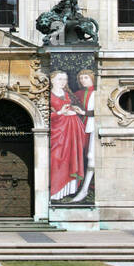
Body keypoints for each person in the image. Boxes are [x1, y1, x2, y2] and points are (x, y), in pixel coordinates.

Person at [49, 70, 85, 200]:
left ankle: (67, 191)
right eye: (60, 79)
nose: (63, 82)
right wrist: (59, 113)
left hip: (72, 129)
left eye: (65, 79)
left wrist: (75, 110)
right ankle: (55, 191)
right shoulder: (48, 95)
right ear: (52, 80)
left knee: (71, 156)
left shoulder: (67, 94)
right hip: (58, 131)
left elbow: (70, 108)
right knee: (56, 158)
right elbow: (43, 116)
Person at [71, 69, 96, 203]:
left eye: (85, 77)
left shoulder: (97, 93)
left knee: (90, 156)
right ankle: (77, 186)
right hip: (79, 127)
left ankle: (87, 188)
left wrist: (84, 112)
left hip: (91, 127)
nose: (82, 80)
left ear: (92, 78)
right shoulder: (77, 94)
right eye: (81, 78)